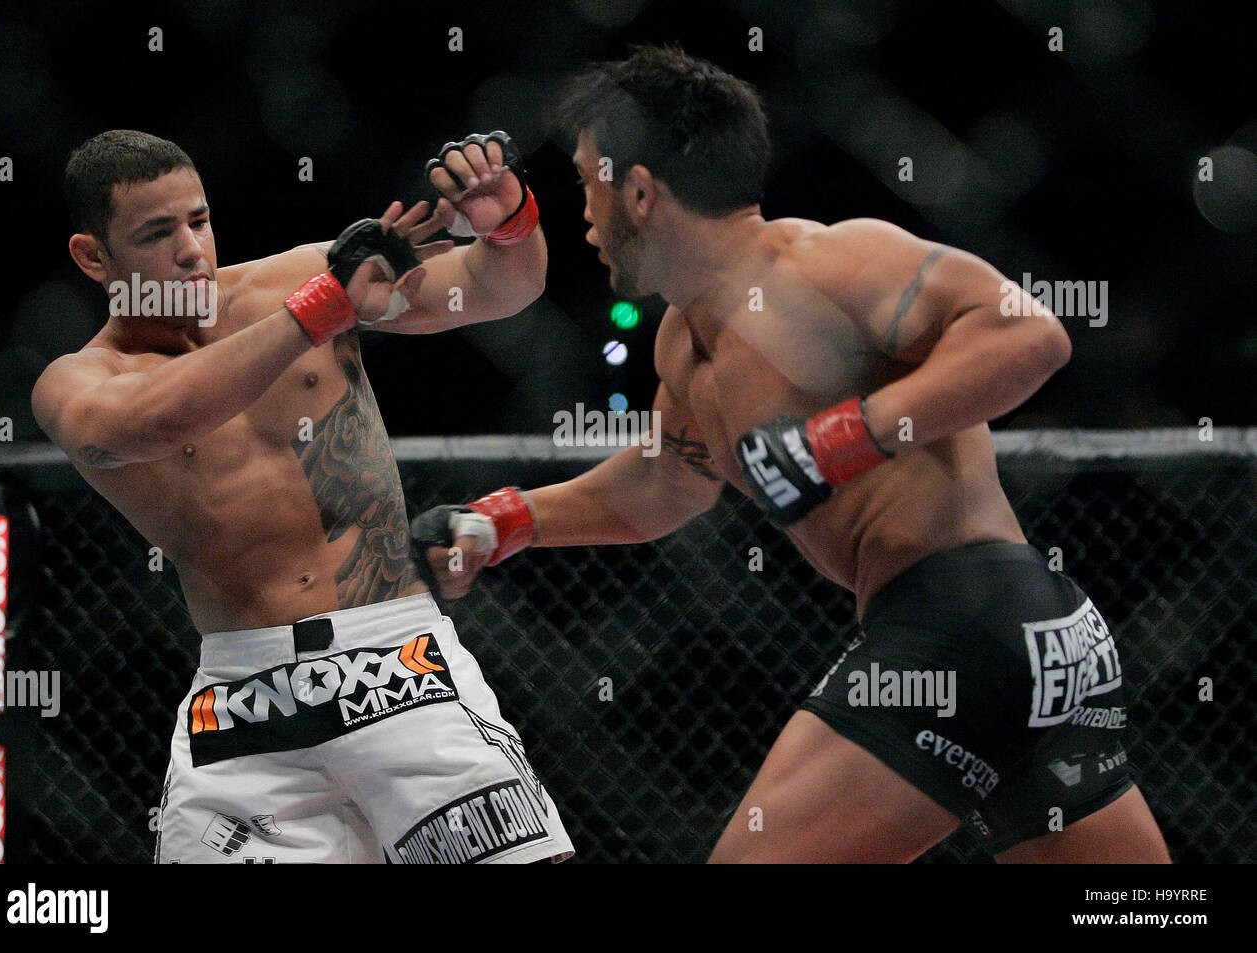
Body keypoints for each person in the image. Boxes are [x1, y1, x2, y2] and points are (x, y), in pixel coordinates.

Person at [413, 48, 1172, 863]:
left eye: (590, 183)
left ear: (640, 189)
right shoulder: (683, 342)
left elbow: (1029, 330)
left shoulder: (825, 263)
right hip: (1030, 636)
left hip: (966, 619)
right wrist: (504, 520)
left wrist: (843, 436)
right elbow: (665, 483)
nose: (586, 216)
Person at [31, 128, 574, 864]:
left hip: (395, 655)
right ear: (93, 256)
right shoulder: (76, 381)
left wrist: (505, 218)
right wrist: (320, 310)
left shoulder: (294, 278)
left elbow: (501, 288)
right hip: (246, 701)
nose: (191, 249)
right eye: (158, 233)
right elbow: (151, 421)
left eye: (199, 220)